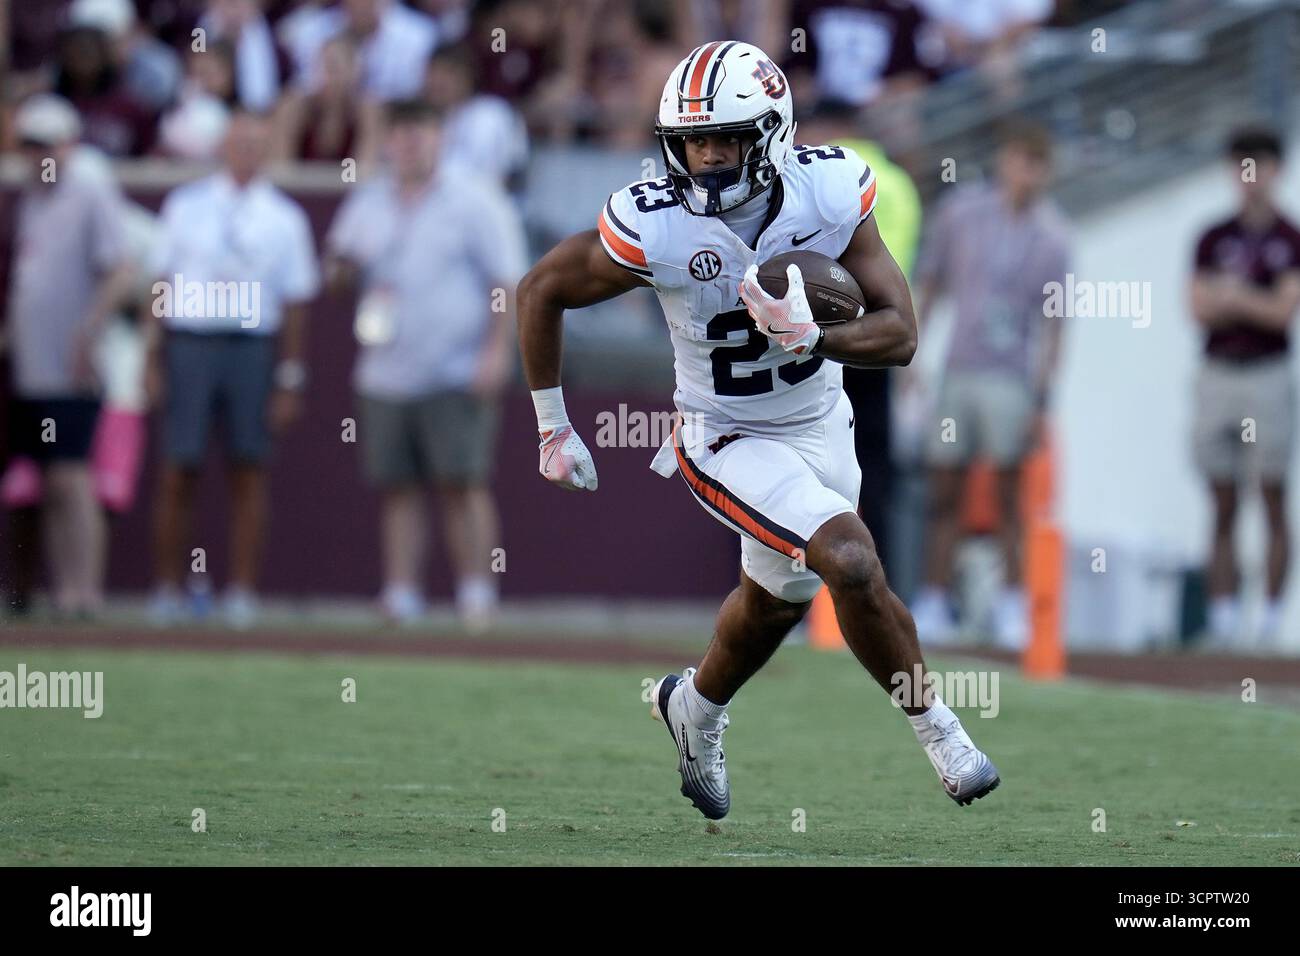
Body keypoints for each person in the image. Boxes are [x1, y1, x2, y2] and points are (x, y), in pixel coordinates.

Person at [516, 41, 999, 820]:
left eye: (725, 138)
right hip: (722, 435)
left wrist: (814, 337)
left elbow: (900, 333)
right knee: (851, 559)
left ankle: (694, 709)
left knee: (773, 604)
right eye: (692, 141)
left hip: (822, 424)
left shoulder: (830, 191)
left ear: (772, 133)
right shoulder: (659, 222)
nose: (706, 158)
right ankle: (940, 733)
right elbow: (541, 287)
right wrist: (551, 425)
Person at [325, 99, 524, 630]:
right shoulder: (368, 202)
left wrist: (496, 351)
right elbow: (337, 274)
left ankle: (477, 593)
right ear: (388, 140)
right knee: (398, 486)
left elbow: (505, 282)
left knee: (463, 481)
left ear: (440, 138)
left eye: (422, 132)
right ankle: (401, 593)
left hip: (456, 366)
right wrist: (343, 270)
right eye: (402, 133)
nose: (411, 143)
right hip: (385, 368)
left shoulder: (474, 199)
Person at [145, 108, 320, 628]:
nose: (248, 151)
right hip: (190, 343)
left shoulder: (284, 217)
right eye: (240, 142)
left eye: (257, 143)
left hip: (251, 346)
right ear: (222, 146)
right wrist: (150, 357)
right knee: (179, 468)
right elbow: (160, 283)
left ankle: (241, 592)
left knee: (249, 468)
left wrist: (289, 376)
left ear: (268, 150)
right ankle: (167, 589)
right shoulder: (186, 205)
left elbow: (295, 303)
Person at [909, 120, 1069, 648]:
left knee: (1008, 494)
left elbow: (1054, 325)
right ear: (1004, 160)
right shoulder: (962, 215)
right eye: (1022, 159)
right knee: (944, 488)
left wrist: (1043, 397)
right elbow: (931, 284)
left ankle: (1012, 603)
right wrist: (913, 353)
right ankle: (934, 598)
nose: (1028, 173)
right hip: (961, 367)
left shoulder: (1052, 237)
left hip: (1010, 377)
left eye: (1038, 163)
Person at [2, 94, 134, 617]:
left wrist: (89, 329)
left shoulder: (90, 191)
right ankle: (61, 591)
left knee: (71, 474)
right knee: (46, 480)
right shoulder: (31, 199)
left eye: (46, 144)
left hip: (70, 366)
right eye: (29, 145)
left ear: (69, 144)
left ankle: (84, 591)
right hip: (33, 367)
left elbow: (121, 270)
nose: (37, 156)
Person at [1190, 127, 1300, 646]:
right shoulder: (1213, 237)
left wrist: (1234, 298)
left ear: (1276, 169)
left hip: (1266, 376)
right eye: (1241, 166)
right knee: (1223, 499)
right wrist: (1246, 301)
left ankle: (1273, 618)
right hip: (1219, 374)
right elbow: (1197, 307)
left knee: (1272, 495)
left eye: (1260, 164)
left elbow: (1282, 314)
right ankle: (1225, 618)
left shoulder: (1289, 239)